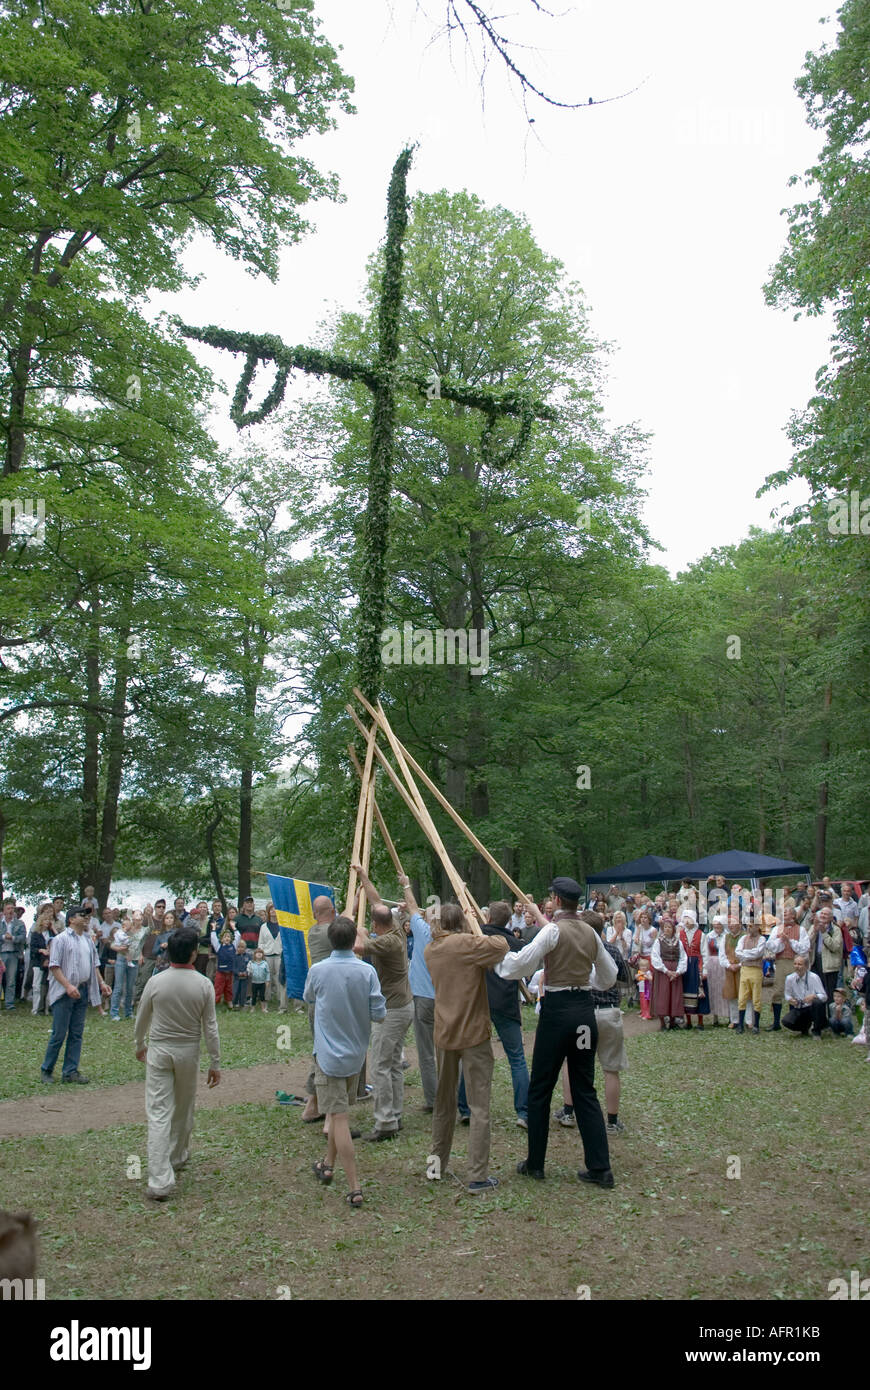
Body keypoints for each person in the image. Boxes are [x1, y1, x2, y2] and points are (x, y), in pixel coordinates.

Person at [494, 878, 618, 1189]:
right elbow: (609, 977)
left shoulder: (552, 931)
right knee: (585, 1089)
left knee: (540, 1089)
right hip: (583, 1016)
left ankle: (535, 1163)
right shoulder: (591, 932)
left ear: (557, 901)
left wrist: (497, 958)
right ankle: (600, 1168)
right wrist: (585, 978)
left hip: (557, 1015)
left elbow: (519, 965)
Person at [425, 903, 509, 1193]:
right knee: (479, 1105)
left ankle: (436, 1166)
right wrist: (478, 925)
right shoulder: (464, 944)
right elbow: (501, 945)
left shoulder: (431, 949)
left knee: (444, 1102)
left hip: (445, 1034)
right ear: (460, 921)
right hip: (473, 1035)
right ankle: (477, 1175)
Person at [303, 916, 386, 1209]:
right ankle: (327, 1164)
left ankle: (354, 1187)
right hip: (354, 1057)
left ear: (330, 941)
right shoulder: (367, 972)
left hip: (328, 1058)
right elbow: (378, 1012)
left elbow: (308, 997)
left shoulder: (318, 970)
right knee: (338, 1114)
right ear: (355, 941)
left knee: (339, 1118)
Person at [134, 925, 221, 1201]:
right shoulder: (203, 984)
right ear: (194, 954)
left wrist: (139, 1044)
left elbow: (141, 1018)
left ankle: (160, 1178)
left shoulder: (156, 981)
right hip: (188, 1053)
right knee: (183, 1108)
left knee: (159, 1113)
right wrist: (215, 1062)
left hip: (160, 1051)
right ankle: (176, 1156)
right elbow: (211, 1028)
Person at [352, 864, 414, 1142]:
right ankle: (395, 1115)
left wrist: (361, 931)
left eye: (373, 926)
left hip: (392, 1010)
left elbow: (357, 946)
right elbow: (378, 902)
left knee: (380, 1064)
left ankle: (386, 1122)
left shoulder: (388, 942)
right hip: (403, 1006)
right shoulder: (397, 928)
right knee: (391, 1064)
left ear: (378, 925)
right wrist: (364, 876)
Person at [457, 901, 530, 1130]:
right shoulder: (514, 943)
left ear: (488, 918)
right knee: (516, 1058)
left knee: (471, 1057)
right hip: (505, 1004)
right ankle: (524, 1112)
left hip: (480, 1002)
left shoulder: (476, 938)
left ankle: (465, 1108)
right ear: (509, 921)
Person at [40, 905, 112, 1083]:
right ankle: (46, 1070)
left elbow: (94, 964)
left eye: (87, 916)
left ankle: (70, 1071)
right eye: (82, 915)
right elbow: (54, 966)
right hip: (65, 992)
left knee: (76, 1033)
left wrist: (102, 983)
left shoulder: (87, 940)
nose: (86, 918)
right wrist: (67, 986)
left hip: (82, 990)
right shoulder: (61, 939)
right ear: (71, 919)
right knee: (59, 1033)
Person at [392, 874, 437, 1112]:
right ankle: (454, 1098)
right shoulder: (452, 935)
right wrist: (412, 911)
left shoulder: (422, 933)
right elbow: (413, 910)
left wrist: (407, 883)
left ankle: (433, 1100)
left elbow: (412, 907)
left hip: (423, 999)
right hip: (446, 999)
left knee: (427, 1052)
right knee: (449, 1051)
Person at [587, 911, 630, 1136]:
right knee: (611, 1069)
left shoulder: (579, 951)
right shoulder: (612, 950)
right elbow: (624, 977)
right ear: (603, 929)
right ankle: (612, 1121)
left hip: (585, 1016)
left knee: (578, 1065)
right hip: (609, 1014)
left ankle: (570, 1110)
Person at [300, 894, 339, 1123]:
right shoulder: (329, 934)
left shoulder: (314, 932)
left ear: (316, 914)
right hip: (328, 1003)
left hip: (316, 1001)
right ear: (332, 911)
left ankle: (313, 1105)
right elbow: (345, 928)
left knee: (320, 1052)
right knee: (326, 1055)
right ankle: (323, 1109)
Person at [764, 908, 810, 1031]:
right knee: (778, 991)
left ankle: (794, 1021)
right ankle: (776, 1023)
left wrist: (790, 940)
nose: (784, 915)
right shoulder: (777, 929)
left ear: (794, 916)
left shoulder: (801, 930)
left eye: (787, 913)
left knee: (796, 992)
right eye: (783, 913)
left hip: (796, 962)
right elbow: (771, 947)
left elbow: (804, 948)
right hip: (781, 962)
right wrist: (781, 940)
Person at [650, 918, 687, 1030]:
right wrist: (666, 971)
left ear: (673, 929)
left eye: (669, 927)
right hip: (663, 972)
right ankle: (662, 1023)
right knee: (663, 996)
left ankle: (672, 1022)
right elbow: (655, 957)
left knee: (674, 996)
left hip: (675, 972)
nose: (667, 929)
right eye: (665, 927)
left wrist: (678, 972)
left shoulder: (678, 942)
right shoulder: (658, 941)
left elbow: (683, 958)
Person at [782, 955, 828, 1038]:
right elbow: (787, 995)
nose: (797, 967)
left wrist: (814, 996)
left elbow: (824, 996)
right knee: (786, 1021)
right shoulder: (790, 978)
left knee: (817, 1003)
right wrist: (791, 1000)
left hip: (811, 1008)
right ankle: (804, 1028)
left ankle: (817, 1031)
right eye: (795, 964)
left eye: (800, 964)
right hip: (799, 1007)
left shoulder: (814, 977)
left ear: (806, 966)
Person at [735, 920, 767, 1034]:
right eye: (748, 926)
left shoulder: (762, 939)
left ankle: (756, 1025)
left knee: (756, 998)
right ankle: (740, 1025)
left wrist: (745, 954)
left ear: (757, 926)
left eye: (751, 926)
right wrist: (748, 954)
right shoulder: (743, 938)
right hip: (745, 970)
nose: (749, 928)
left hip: (756, 970)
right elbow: (737, 952)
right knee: (742, 997)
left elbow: (758, 953)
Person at [679, 910, 709, 1029]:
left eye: (689, 918)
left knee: (699, 992)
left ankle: (700, 1021)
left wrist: (705, 970)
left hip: (697, 965)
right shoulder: (680, 934)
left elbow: (705, 953)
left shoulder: (701, 934)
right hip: (685, 965)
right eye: (685, 918)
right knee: (686, 992)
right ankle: (689, 1020)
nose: (687, 921)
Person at [701, 914, 729, 1025]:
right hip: (712, 964)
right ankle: (715, 1016)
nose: (717, 928)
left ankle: (729, 1015)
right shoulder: (709, 936)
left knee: (724, 988)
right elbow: (705, 951)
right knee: (713, 989)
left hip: (723, 963)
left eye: (719, 925)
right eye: (715, 925)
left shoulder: (727, 936)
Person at [258, 903, 285, 1012]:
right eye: (271, 909)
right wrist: (263, 953)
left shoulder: (282, 926)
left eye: (275, 909)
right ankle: (266, 1002)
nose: (273, 911)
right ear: (268, 912)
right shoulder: (264, 927)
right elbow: (261, 943)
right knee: (266, 980)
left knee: (279, 979)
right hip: (267, 956)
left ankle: (281, 1002)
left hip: (279, 955)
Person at [28, 904, 54, 1016]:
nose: (47, 922)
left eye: (49, 920)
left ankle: (46, 1008)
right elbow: (32, 948)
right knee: (36, 986)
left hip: (50, 962)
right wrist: (41, 950)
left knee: (47, 986)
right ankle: (35, 1008)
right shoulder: (36, 934)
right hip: (38, 962)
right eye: (45, 920)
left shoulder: (51, 933)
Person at [1, 899, 26, 1010]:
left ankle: (9, 1003)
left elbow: (23, 938)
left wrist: (13, 938)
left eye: (12, 908)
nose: (11, 910)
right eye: (8, 908)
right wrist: (3, 937)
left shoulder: (19, 923)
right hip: (1, 953)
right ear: (4, 911)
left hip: (13, 954)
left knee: (11, 980)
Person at [214, 929, 235, 1007]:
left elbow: (238, 936)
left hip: (229, 972)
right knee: (218, 986)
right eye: (225, 937)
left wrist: (234, 928)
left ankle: (229, 1001)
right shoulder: (219, 947)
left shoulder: (233, 946)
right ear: (221, 939)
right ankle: (216, 1001)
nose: (227, 938)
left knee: (229, 987)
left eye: (228, 937)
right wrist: (213, 929)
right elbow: (213, 939)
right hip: (221, 971)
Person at [231, 938, 251, 1009]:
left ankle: (242, 1003)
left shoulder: (248, 956)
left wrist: (246, 972)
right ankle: (234, 1003)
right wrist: (238, 973)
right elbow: (233, 967)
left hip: (245, 977)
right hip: (237, 977)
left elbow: (250, 965)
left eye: (242, 947)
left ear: (245, 948)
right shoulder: (235, 957)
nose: (240, 949)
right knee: (236, 990)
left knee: (244, 991)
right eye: (239, 947)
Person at [249, 948, 270, 1013]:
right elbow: (249, 971)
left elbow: (267, 972)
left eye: (260, 953)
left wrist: (267, 980)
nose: (259, 954)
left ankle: (263, 1008)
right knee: (254, 996)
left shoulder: (265, 963)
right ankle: (253, 1008)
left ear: (263, 955)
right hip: (254, 982)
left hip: (262, 982)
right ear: (254, 955)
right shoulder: (251, 963)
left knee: (262, 996)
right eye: (257, 953)